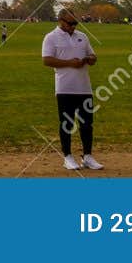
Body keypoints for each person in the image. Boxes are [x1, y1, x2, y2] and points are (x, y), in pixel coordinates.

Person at [42, 10, 101, 171]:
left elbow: (93, 55)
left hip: (84, 88)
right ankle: (67, 157)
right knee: (66, 123)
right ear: (61, 21)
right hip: (65, 88)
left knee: (87, 124)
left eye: (76, 23)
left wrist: (90, 59)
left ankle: (87, 156)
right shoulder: (51, 37)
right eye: (70, 23)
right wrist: (69, 63)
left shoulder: (82, 36)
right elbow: (46, 60)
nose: (73, 27)